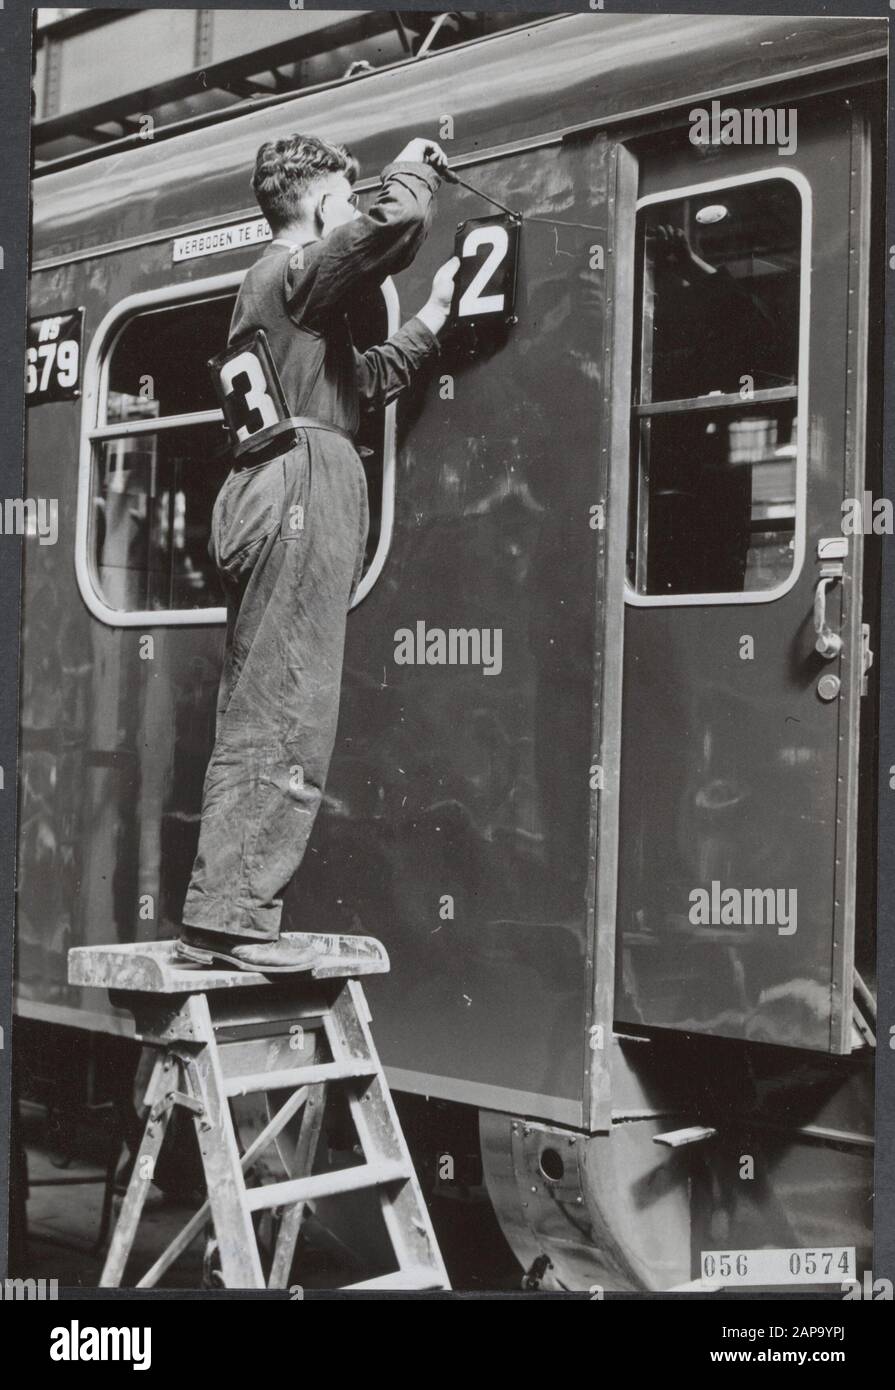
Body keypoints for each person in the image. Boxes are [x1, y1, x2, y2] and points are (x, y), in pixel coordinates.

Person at [176, 133, 458, 972]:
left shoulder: (280, 304)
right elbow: (396, 217)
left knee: (266, 699)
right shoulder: (295, 273)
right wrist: (409, 162)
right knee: (288, 702)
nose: (355, 203)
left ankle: (227, 915)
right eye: (346, 193)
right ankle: (231, 924)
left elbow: (359, 385)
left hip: (275, 484)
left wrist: (435, 313)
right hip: (298, 488)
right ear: (323, 205)